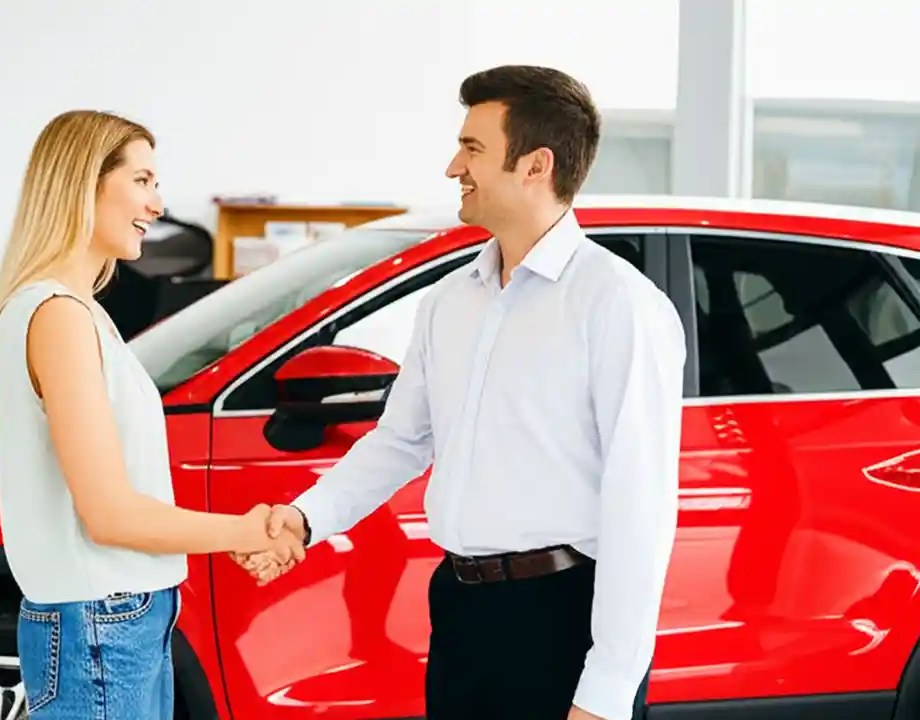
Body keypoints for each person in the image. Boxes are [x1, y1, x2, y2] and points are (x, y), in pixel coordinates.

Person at [237, 65, 687, 719]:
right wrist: (307, 517)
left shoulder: (617, 304)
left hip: (563, 617)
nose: (454, 167)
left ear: (535, 165)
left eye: (472, 148)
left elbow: (639, 508)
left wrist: (608, 689)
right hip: (461, 610)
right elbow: (402, 441)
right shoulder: (451, 302)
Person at [0, 109, 305, 720]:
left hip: (117, 617)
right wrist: (243, 531)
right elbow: (109, 515)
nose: (157, 206)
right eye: (143, 181)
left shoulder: (72, 311)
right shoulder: (58, 316)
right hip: (101, 623)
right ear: (83, 184)